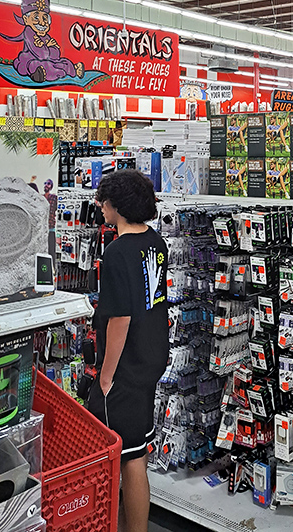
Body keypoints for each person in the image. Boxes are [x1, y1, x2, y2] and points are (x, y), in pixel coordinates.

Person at [86, 170, 168, 532]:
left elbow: (119, 319)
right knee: (137, 450)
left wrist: (105, 376)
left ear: (117, 205)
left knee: (130, 458)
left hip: (126, 365)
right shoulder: (155, 241)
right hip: (152, 354)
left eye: (104, 201)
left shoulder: (117, 253)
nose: (101, 208)